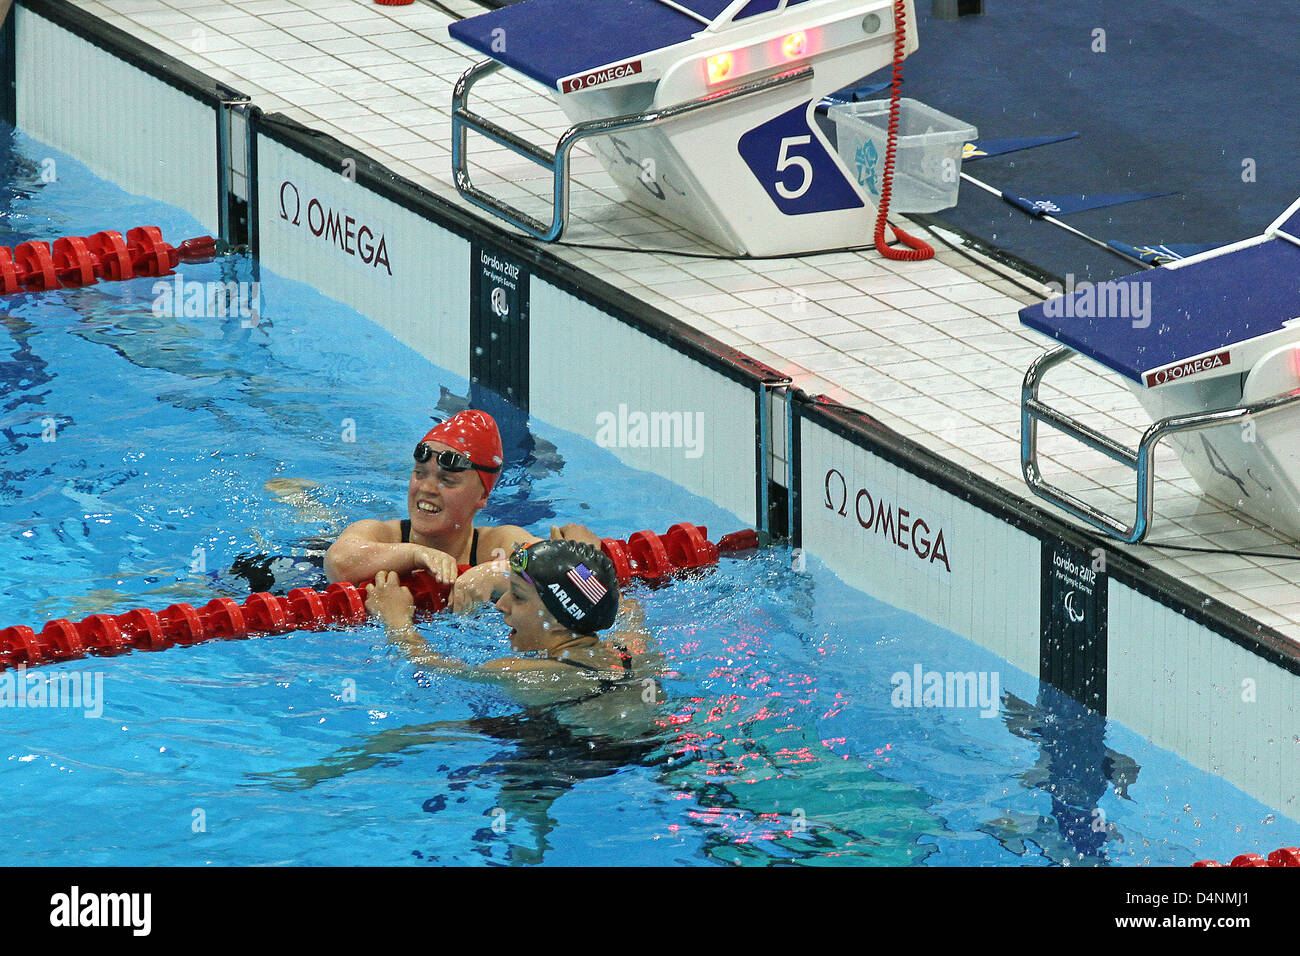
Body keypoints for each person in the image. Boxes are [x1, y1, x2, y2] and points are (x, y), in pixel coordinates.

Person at [324, 409, 598, 611]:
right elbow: (338, 562)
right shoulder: (381, 534)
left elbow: (573, 576)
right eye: (420, 474)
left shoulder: (497, 545)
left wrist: (494, 573)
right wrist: (416, 553)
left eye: (447, 480)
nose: (427, 488)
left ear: (483, 496)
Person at [364, 539, 656, 715]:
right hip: (654, 746)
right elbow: (630, 607)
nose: (501, 604)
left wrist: (397, 621)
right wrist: (576, 562)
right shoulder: (629, 652)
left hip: (581, 760)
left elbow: (435, 669)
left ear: (557, 618)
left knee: (405, 740)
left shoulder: (523, 672)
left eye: (517, 595)